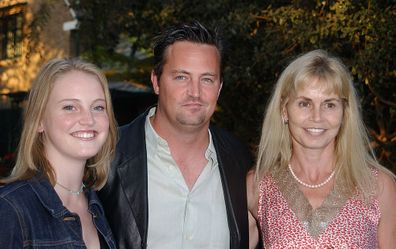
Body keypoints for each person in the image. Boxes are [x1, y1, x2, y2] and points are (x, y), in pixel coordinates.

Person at [98, 21, 252, 249]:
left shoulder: (241, 164)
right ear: (156, 82)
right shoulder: (106, 157)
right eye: (181, 77)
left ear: (219, 88)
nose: (195, 92)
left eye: (207, 79)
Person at [247, 49, 396, 248]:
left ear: (344, 113)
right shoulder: (257, 186)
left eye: (329, 104)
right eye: (304, 103)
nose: (317, 117)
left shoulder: (378, 187)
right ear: (284, 110)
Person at [0, 59, 118, 249]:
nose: (88, 120)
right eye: (70, 107)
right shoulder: (10, 209)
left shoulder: (102, 206)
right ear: (39, 120)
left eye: (98, 107)